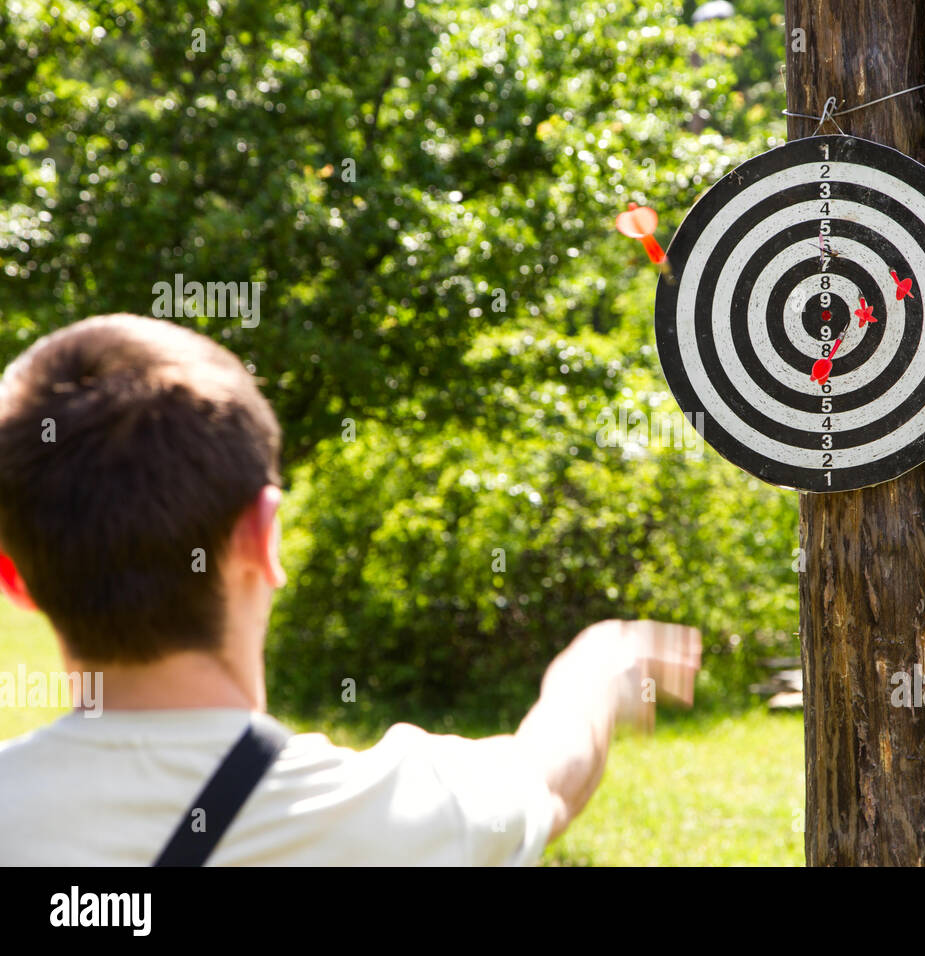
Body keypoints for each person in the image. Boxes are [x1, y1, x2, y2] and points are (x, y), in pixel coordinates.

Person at [0, 314, 701, 866]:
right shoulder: (389, 816)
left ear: (13, 576)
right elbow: (549, 779)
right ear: (264, 537)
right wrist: (597, 664)